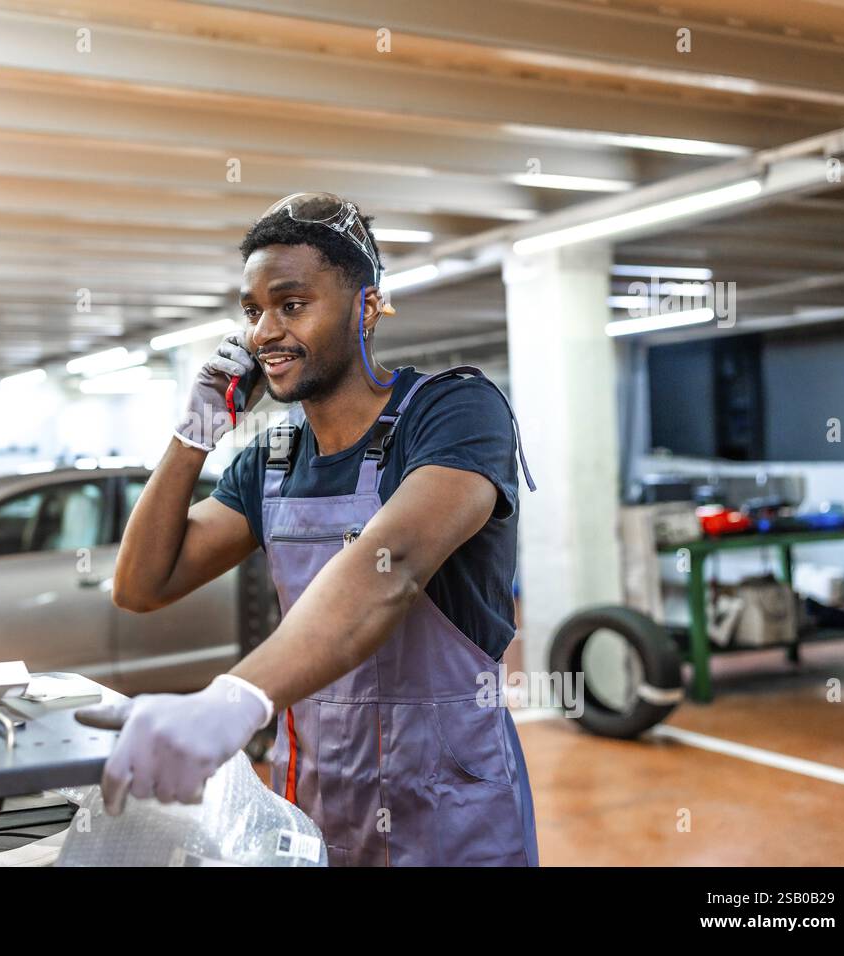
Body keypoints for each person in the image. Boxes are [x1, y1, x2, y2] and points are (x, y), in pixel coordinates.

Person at [76, 193, 538, 866]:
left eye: (292, 304)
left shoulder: (454, 412)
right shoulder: (273, 460)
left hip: (452, 820)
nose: (264, 331)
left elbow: (394, 565)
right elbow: (141, 584)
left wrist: (233, 699)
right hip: (318, 812)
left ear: (368, 308)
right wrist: (194, 433)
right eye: (252, 311)